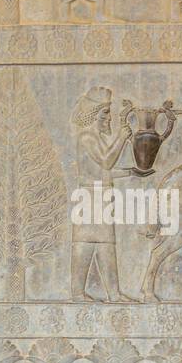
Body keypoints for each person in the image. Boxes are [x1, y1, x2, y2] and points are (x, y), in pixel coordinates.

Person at [70, 87, 133, 301]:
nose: (109, 117)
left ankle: (113, 294)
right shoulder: (87, 137)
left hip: (100, 195)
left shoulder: (94, 138)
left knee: (105, 244)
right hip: (89, 196)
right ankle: (78, 294)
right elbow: (106, 160)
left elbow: (102, 171)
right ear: (93, 113)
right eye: (105, 112)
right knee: (85, 243)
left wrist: (131, 172)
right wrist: (122, 137)